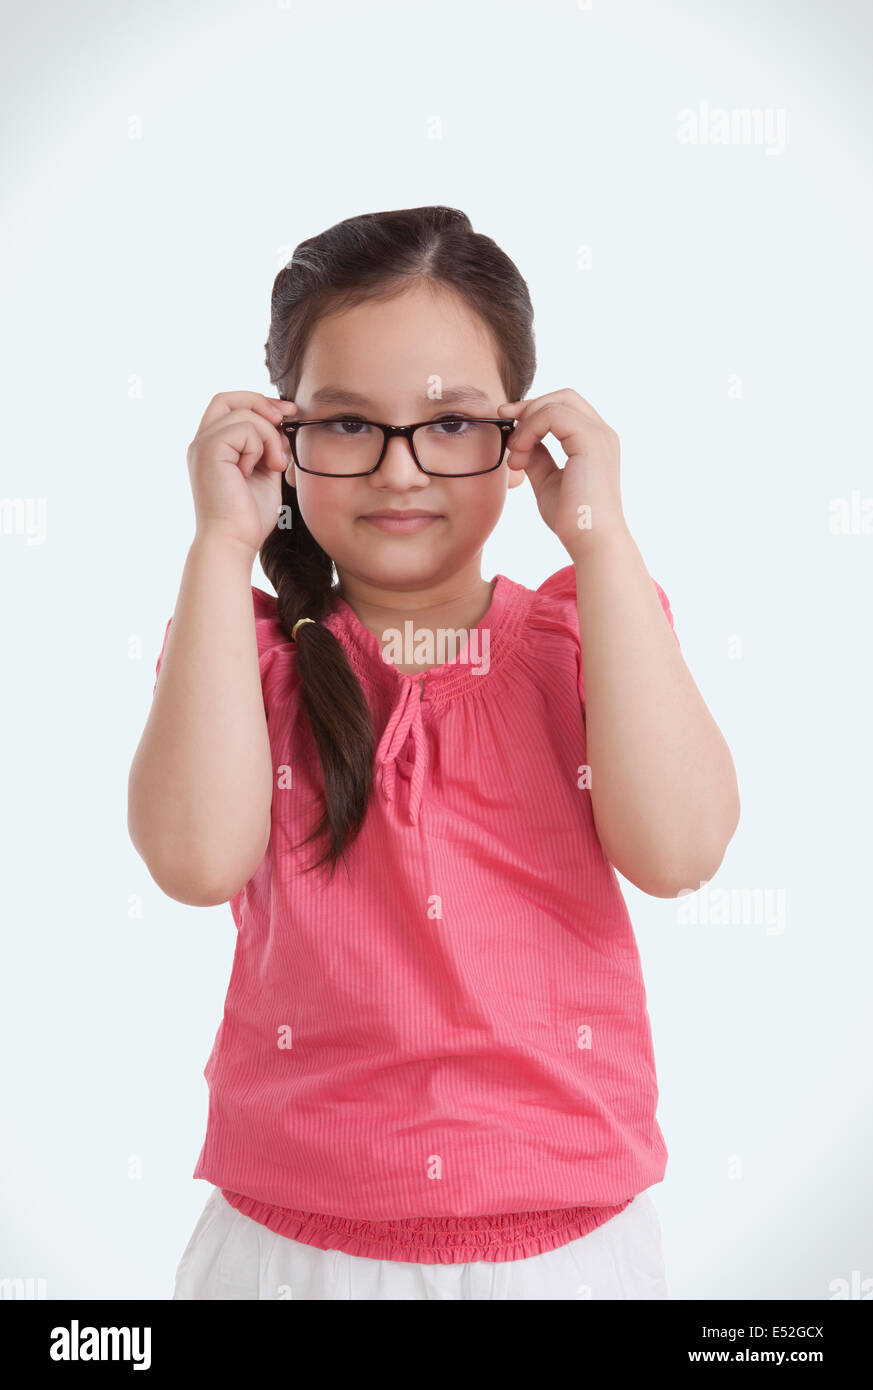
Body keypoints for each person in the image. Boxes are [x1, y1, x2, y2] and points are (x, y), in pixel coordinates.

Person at [128, 205, 740, 1300]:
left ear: (520, 443)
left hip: (566, 1251)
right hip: (289, 1251)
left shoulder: (586, 630)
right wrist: (221, 542)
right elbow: (192, 860)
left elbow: (682, 849)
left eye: (451, 424)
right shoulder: (251, 648)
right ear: (282, 434)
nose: (401, 470)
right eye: (349, 423)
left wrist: (599, 531)